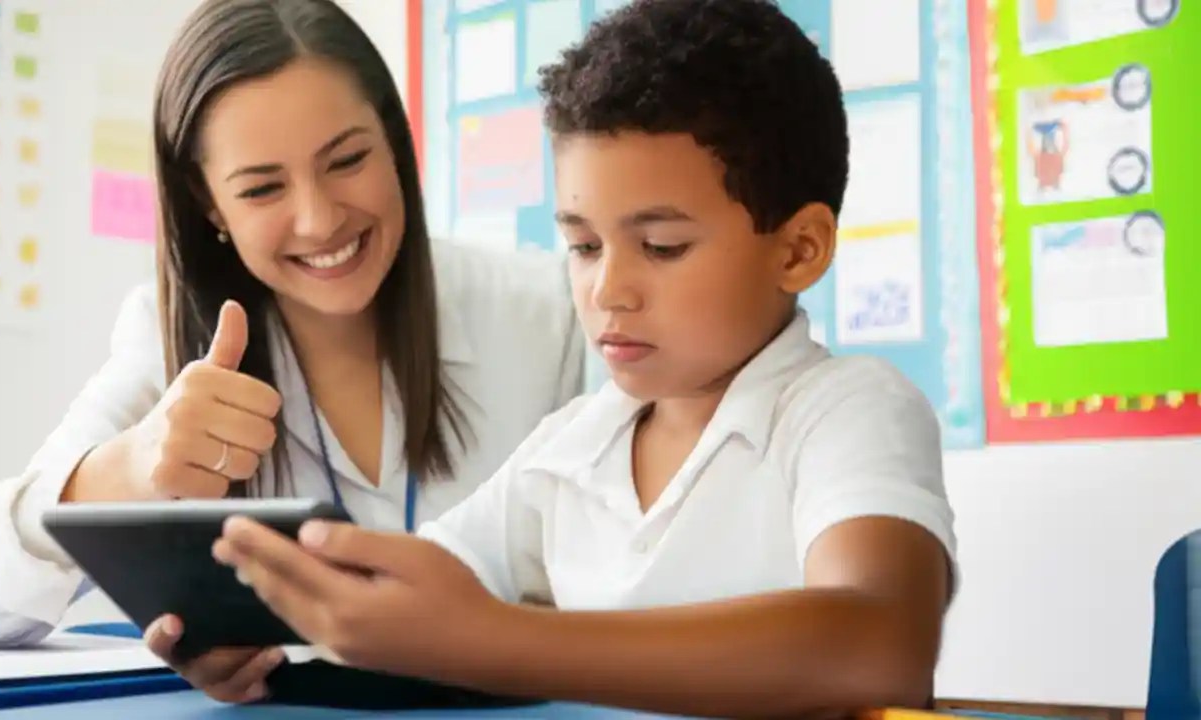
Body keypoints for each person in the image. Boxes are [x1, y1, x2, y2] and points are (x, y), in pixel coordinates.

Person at [208, 0, 958, 717]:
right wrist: (252, 627)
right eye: (583, 246)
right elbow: (407, 595)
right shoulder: (570, 447)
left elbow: (878, 644)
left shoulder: (846, 408)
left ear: (798, 249)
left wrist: (494, 639)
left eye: (662, 247)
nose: (609, 290)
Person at [0, 0, 582, 706]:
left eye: (348, 159)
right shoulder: (167, 338)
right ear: (209, 207)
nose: (320, 218)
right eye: (263, 187)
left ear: (394, 144)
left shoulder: (545, 309)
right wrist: (126, 470)